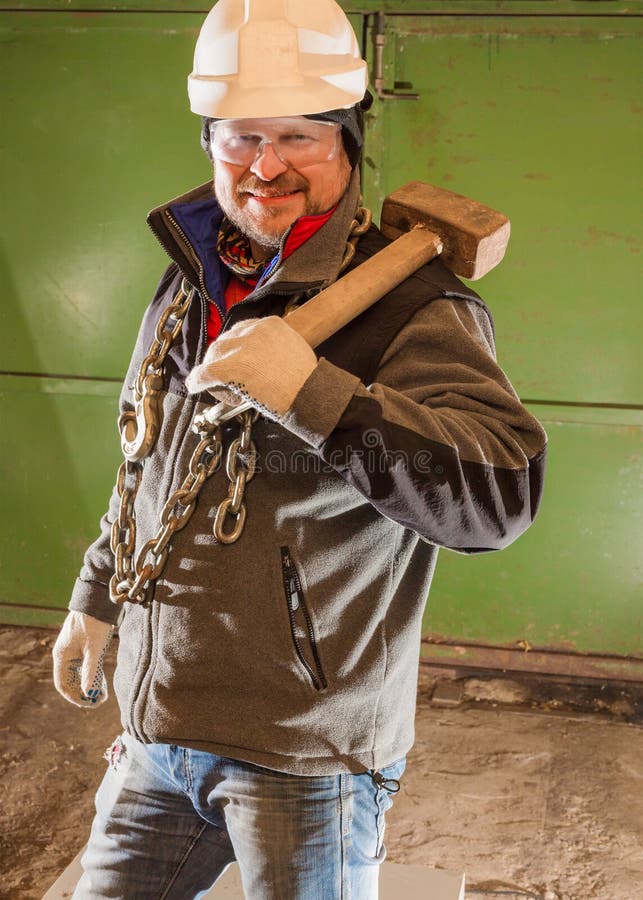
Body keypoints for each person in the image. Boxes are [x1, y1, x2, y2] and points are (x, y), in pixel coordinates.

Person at [52, 1, 547, 897]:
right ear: (209, 140)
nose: (265, 165)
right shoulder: (189, 276)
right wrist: (96, 595)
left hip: (306, 758)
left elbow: (498, 496)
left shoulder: (416, 306)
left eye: (297, 137)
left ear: (348, 145)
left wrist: (311, 394)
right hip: (157, 728)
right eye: (240, 137)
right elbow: (146, 463)